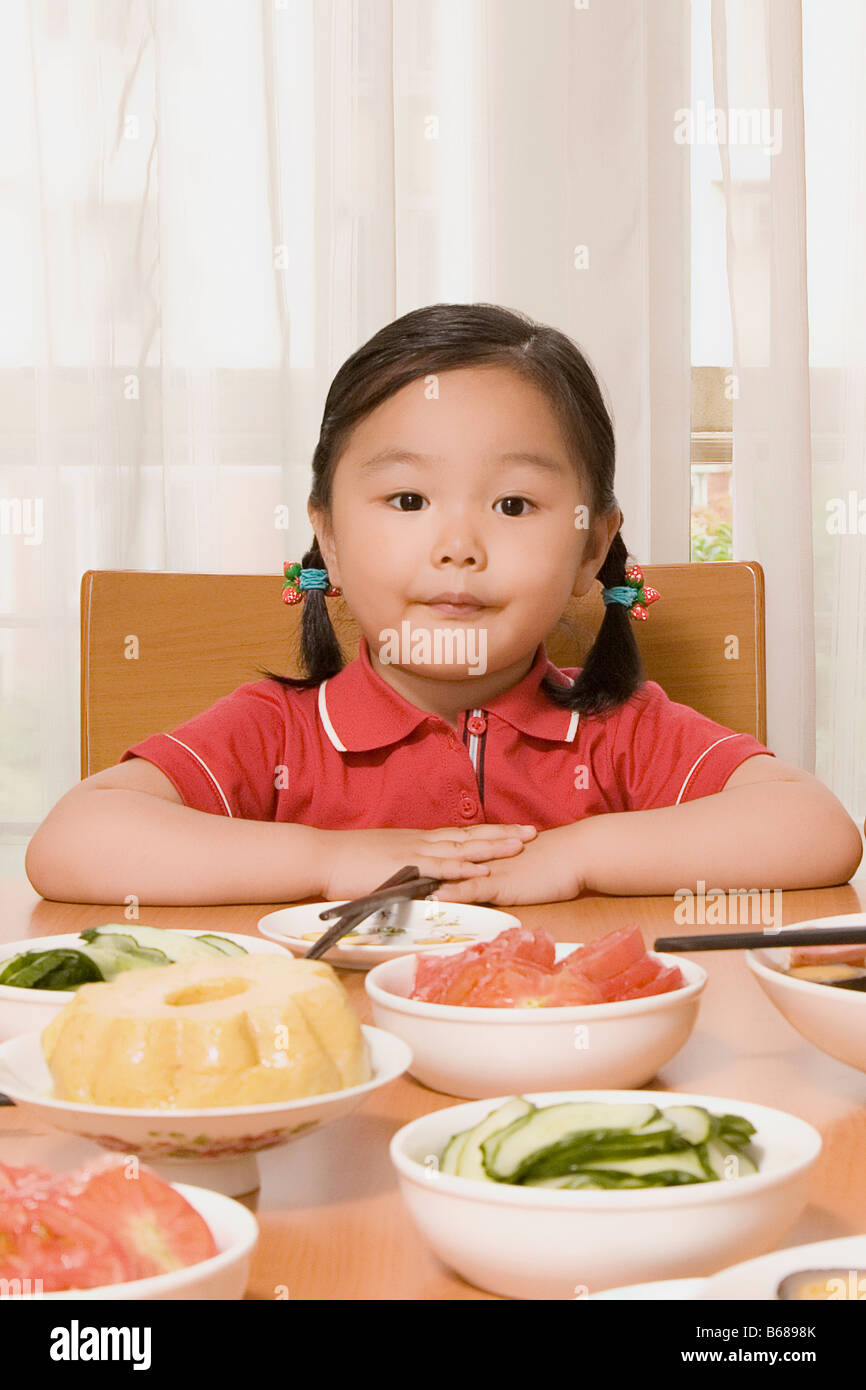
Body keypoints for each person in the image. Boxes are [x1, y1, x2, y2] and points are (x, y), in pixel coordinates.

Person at [25, 303, 862, 906]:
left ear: (591, 549)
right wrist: (330, 862)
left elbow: (814, 829)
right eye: (407, 501)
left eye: (512, 506)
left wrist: (576, 856)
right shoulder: (277, 733)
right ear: (331, 542)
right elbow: (73, 843)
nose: (457, 546)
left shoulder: (618, 729)